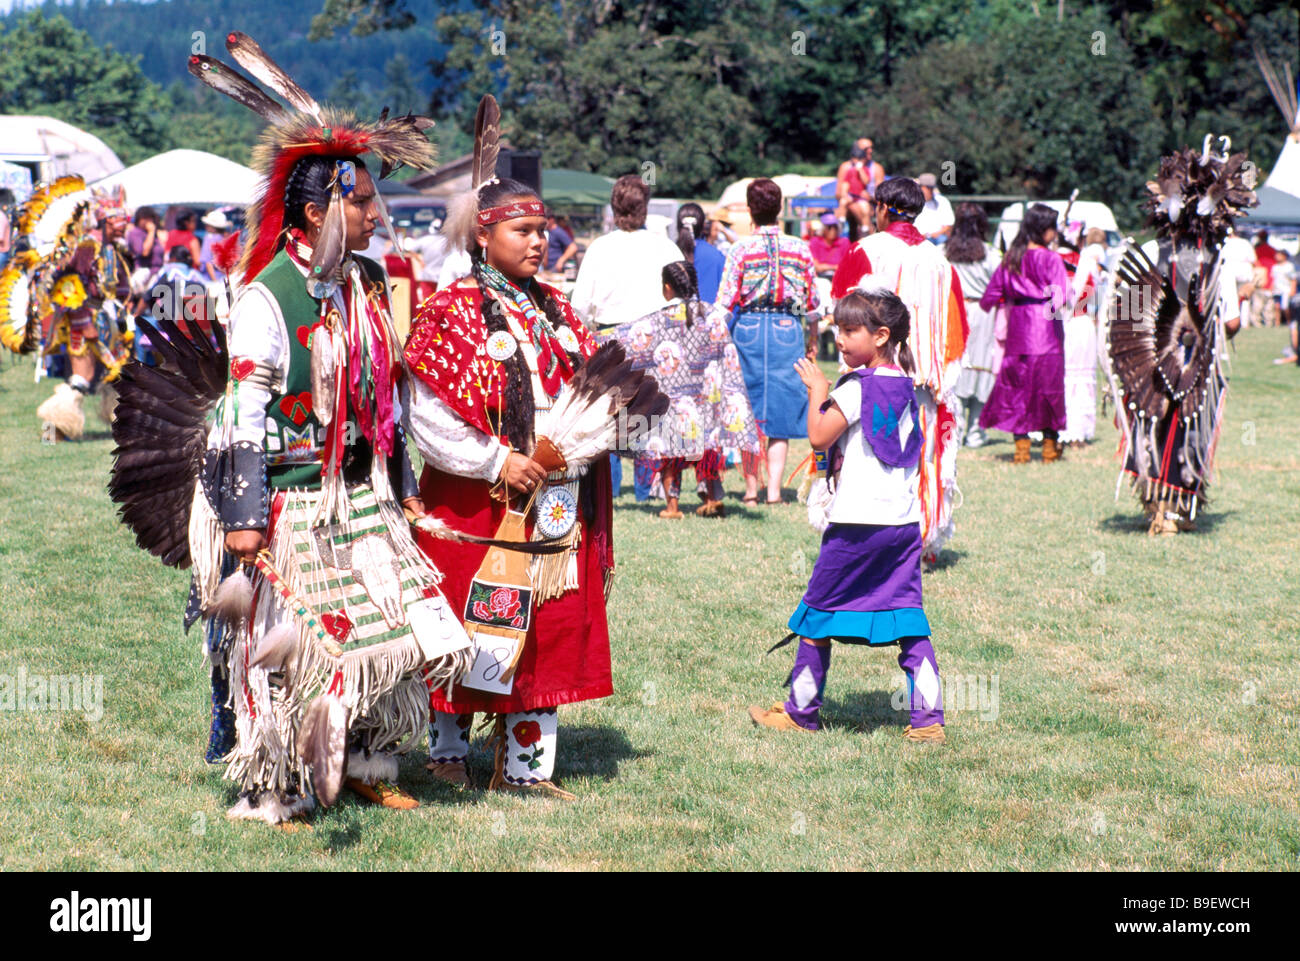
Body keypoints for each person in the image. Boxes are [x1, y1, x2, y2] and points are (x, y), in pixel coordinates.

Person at [172, 35, 465, 825]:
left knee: (386, 633)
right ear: (316, 210)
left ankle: (365, 762)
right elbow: (243, 407)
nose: (378, 214)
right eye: (363, 202)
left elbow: (386, 402)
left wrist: (397, 487)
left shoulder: (363, 286)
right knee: (281, 647)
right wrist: (241, 521)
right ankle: (271, 783)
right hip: (287, 504)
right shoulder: (268, 295)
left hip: (357, 493)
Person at [404, 166, 615, 800]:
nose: (537, 242)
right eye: (523, 231)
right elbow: (427, 415)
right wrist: (498, 462)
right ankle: (447, 751)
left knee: (546, 623)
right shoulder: (451, 312)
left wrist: (570, 449)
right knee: (467, 622)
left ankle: (526, 768)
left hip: (554, 499)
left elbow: (600, 391)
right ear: (484, 235)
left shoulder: (558, 309)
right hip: (474, 500)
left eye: (542, 231)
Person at [748, 289, 945, 742]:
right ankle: (928, 720)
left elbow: (818, 437)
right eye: (837, 328)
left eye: (850, 330)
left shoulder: (856, 388)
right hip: (900, 524)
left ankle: (800, 713)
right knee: (909, 617)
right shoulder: (905, 384)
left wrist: (820, 390)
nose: (840, 338)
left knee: (816, 613)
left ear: (880, 336)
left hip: (856, 524)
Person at [1106, 144, 1252, 533]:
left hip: (1147, 361)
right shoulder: (1219, 257)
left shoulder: (1152, 249)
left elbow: (1133, 310)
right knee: (1188, 429)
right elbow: (1233, 322)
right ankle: (1179, 509)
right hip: (1199, 364)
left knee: (1150, 425)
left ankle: (1155, 508)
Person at [829, 177, 968, 560]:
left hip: (874, 377)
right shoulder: (940, 262)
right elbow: (957, 332)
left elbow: (841, 311)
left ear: (884, 208)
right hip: (925, 382)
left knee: (867, 456)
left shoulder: (865, 250)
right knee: (919, 457)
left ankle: (866, 542)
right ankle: (919, 541)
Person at [606, 260, 759, 519]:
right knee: (706, 451)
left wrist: (589, 335)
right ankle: (712, 498)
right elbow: (726, 355)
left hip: (672, 401)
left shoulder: (657, 320)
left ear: (667, 288)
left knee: (670, 454)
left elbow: (626, 338)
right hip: (704, 398)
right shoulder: (712, 315)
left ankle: (672, 506)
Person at [710, 177, 821, 505]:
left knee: (749, 409)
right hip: (788, 326)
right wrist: (811, 339)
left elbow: (726, 301)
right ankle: (774, 490)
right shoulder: (800, 248)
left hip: (749, 327)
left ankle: (750, 489)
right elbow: (811, 304)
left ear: (750, 210)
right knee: (781, 411)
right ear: (781, 208)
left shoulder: (740, 248)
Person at [34, 184, 133, 439]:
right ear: (104, 220)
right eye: (116, 220)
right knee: (80, 379)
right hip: (86, 319)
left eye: (124, 219)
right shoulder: (88, 246)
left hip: (108, 321)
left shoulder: (112, 248)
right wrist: (81, 321)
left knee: (116, 377)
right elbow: (66, 283)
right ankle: (49, 434)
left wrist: (124, 308)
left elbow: (120, 286)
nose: (122, 225)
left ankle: (124, 428)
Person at [977, 203, 1071, 463]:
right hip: (1046, 328)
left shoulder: (1011, 258)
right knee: (1049, 385)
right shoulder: (1051, 259)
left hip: (1019, 326)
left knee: (1017, 386)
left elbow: (991, 296)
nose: (1055, 233)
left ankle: (1022, 449)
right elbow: (1062, 296)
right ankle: (1050, 448)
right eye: (1052, 228)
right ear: (1043, 230)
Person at [571, 174, 683, 331]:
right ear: (645, 207)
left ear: (614, 207)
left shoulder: (599, 248)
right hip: (657, 339)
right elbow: (682, 301)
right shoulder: (667, 248)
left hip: (612, 341)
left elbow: (580, 307)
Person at [945, 203, 1002, 448]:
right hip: (983, 311)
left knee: (957, 368)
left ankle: (954, 431)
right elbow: (1000, 283)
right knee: (980, 367)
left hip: (955, 311)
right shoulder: (990, 254)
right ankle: (976, 431)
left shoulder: (944, 251)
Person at [1059, 226, 1105, 446]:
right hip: (1082, 323)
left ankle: (1061, 429)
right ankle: (1079, 431)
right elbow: (1095, 297)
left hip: (1058, 324)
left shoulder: (1053, 261)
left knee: (1065, 377)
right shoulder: (1088, 265)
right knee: (1080, 379)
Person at [836, 138, 885, 241]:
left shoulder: (876, 169)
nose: (870, 151)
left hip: (869, 206)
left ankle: (866, 232)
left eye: (871, 148)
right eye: (866, 148)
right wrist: (850, 195)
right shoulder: (846, 167)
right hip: (849, 204)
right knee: (848, 205)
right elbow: (838, 193)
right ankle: (866, 232)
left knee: (863, 208)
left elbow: (881, 196)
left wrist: (870, 197)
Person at [677, 202, 724, 303]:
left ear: (678, 226)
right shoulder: (717, 256)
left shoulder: (668, 252)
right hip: (708, 316)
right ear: (703, 226)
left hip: (672, 317)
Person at [913, 173, 955, 243]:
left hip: (937, 239)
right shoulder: (912, 201)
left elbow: (949, 224)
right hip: (917, 238)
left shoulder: (942, 201)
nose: (930, 190)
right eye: (928, 188)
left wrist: (936, 234)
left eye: (931, 188)